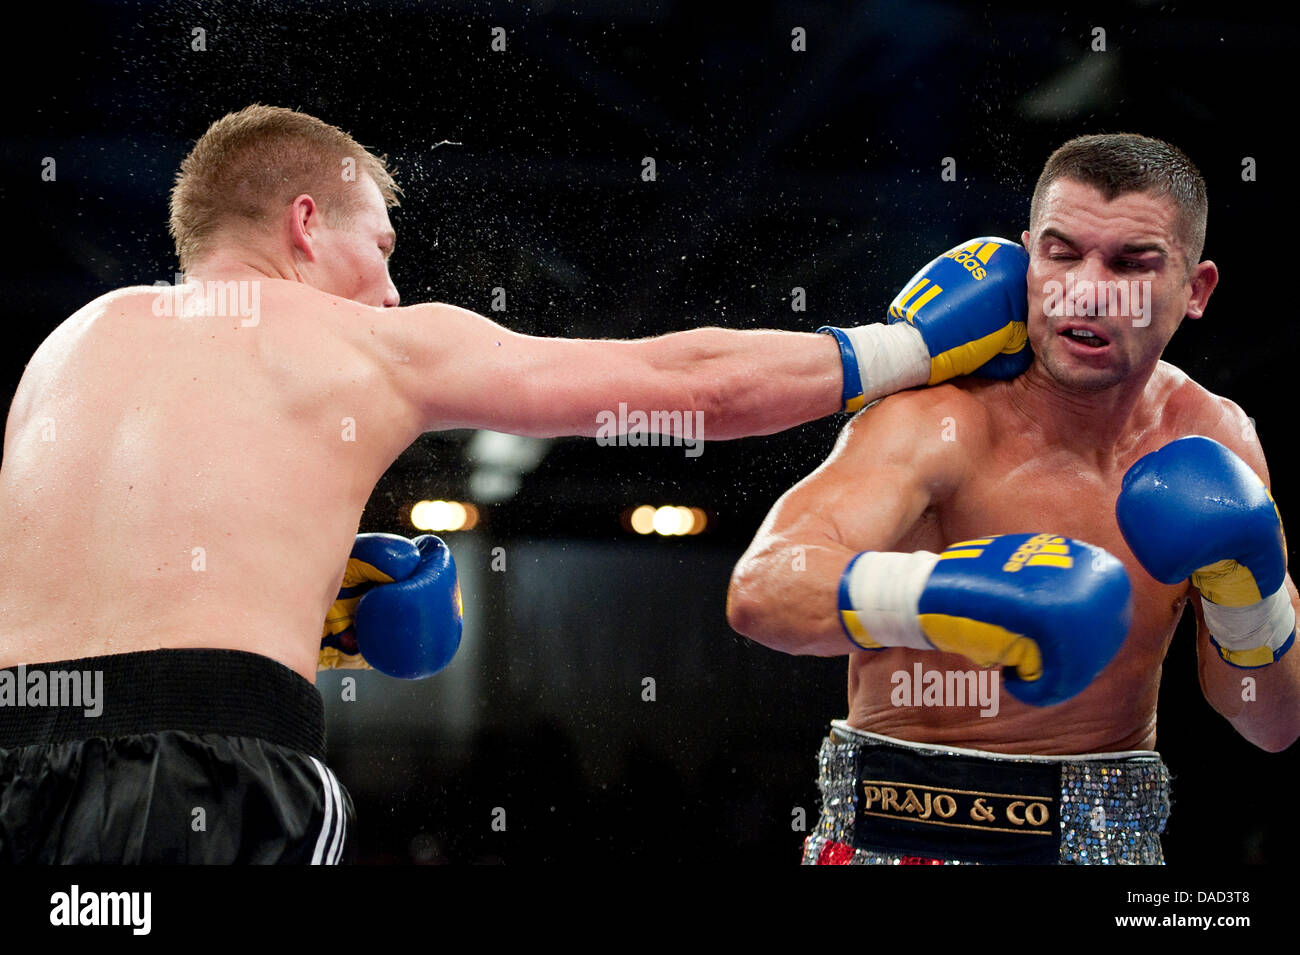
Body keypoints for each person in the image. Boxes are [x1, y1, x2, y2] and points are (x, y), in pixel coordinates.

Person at [0, 105, 1027, 863]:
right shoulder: (368, 341)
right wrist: (902, 349)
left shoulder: (67, 348)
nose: (393, 286)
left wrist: (300, 607)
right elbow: (686, 388)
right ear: (306, 224)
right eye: (380, 247)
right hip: (207, 782)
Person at [727, 133, 1300, 865]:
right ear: (1029, 258)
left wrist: (1250, 602)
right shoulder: (937, 420)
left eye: (1132, 263)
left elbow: (1270, 722)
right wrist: (942, 595)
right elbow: (762, 589)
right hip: (891, 835)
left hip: (1108, 844)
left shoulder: (1218, 442)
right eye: (1062, 254)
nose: (1089, 288)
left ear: (1196, 289)